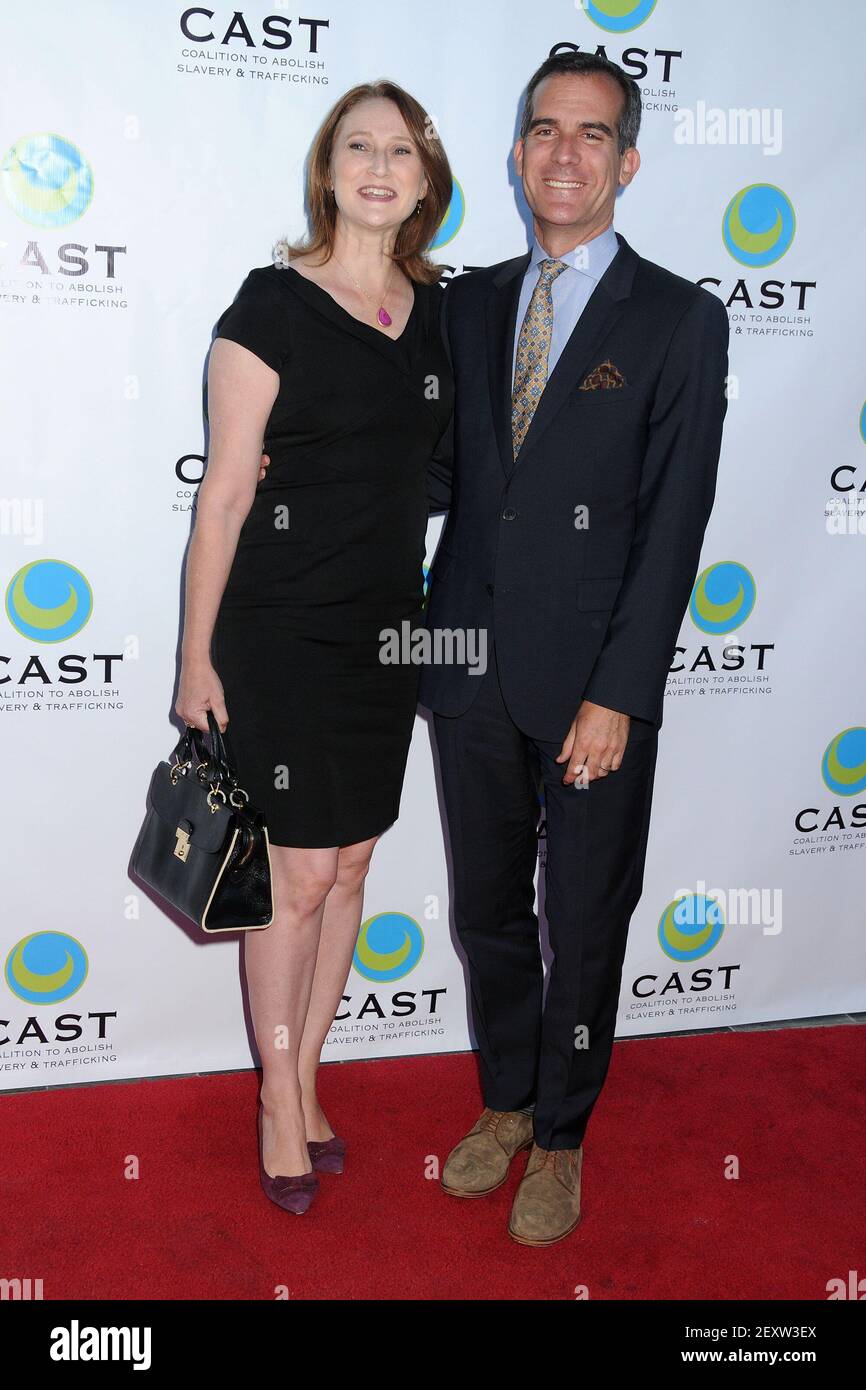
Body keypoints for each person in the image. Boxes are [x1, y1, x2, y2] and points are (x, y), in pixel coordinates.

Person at [420, 51, 729, 1246]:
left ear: (627, 160)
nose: (564, 153)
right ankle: (505, 1099)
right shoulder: (464, 301)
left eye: (591, 134)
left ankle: (560, 1134)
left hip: (595, 680)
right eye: (544, 130)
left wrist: (619, 691)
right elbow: (446, 472)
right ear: (513, 152)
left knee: (584, 915)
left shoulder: (679, 320)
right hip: (466, 666)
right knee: (490, 910)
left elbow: (672, 520)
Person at [176, 80, 454, 1214]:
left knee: (350, 867)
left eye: (399, 151)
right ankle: (274, 1100)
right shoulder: (269, 306)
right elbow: (225, 498)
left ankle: (303, 1068)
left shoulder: (437, 313)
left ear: (427, 181)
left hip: (385, 634)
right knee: (291, 882)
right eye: (357, 147)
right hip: (280, 631)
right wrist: (196, 658)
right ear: (326, 168)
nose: (378, 168)